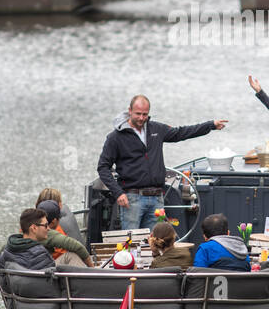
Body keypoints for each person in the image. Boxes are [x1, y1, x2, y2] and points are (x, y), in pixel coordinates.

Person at [98, 94, 228, 231]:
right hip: (132, 199)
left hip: (157, 199)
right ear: (129, 111)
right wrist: (118, 193)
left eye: (145, 114)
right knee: (132, 243)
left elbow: (181, 133)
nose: (142, 118)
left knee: (156, 244)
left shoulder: (157, 129)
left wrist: (210, 125)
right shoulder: (115, 137)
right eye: (138, 114)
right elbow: (102, 167)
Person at [34, 198, 94, 267]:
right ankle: (89, 276)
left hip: (36, 266)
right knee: (71, 256)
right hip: (43, 270)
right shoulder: (47, 232)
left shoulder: (29, 228)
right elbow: (78, 247)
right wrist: (92, 267)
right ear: (54, 221)